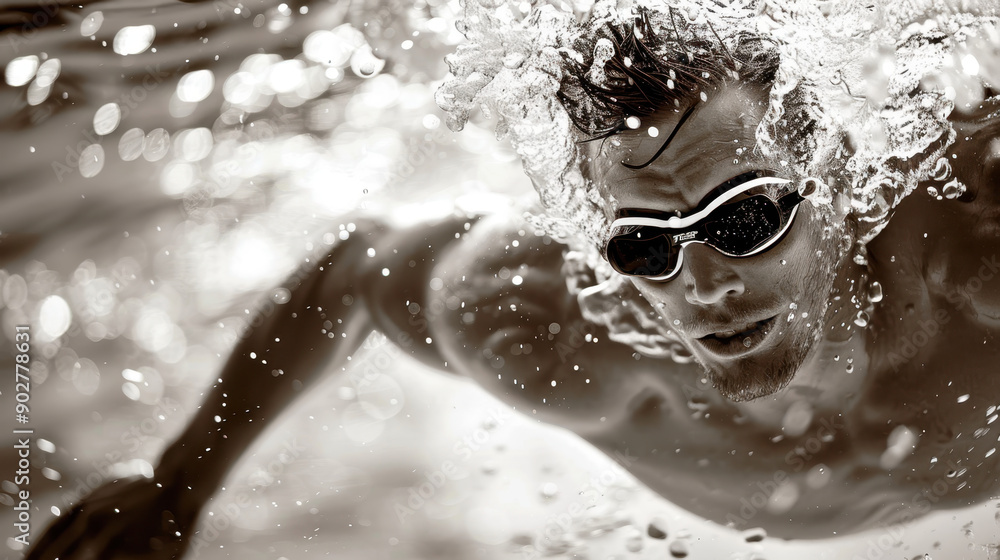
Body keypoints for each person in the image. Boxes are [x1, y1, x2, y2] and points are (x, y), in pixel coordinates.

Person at [26, 2, 1000, 558]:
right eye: (643, 244)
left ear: (825, 175)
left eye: (742, 218)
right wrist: (179, 482)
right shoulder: (558, 334)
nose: (700, 283)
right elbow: (355, 272)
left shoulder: (967, 251)